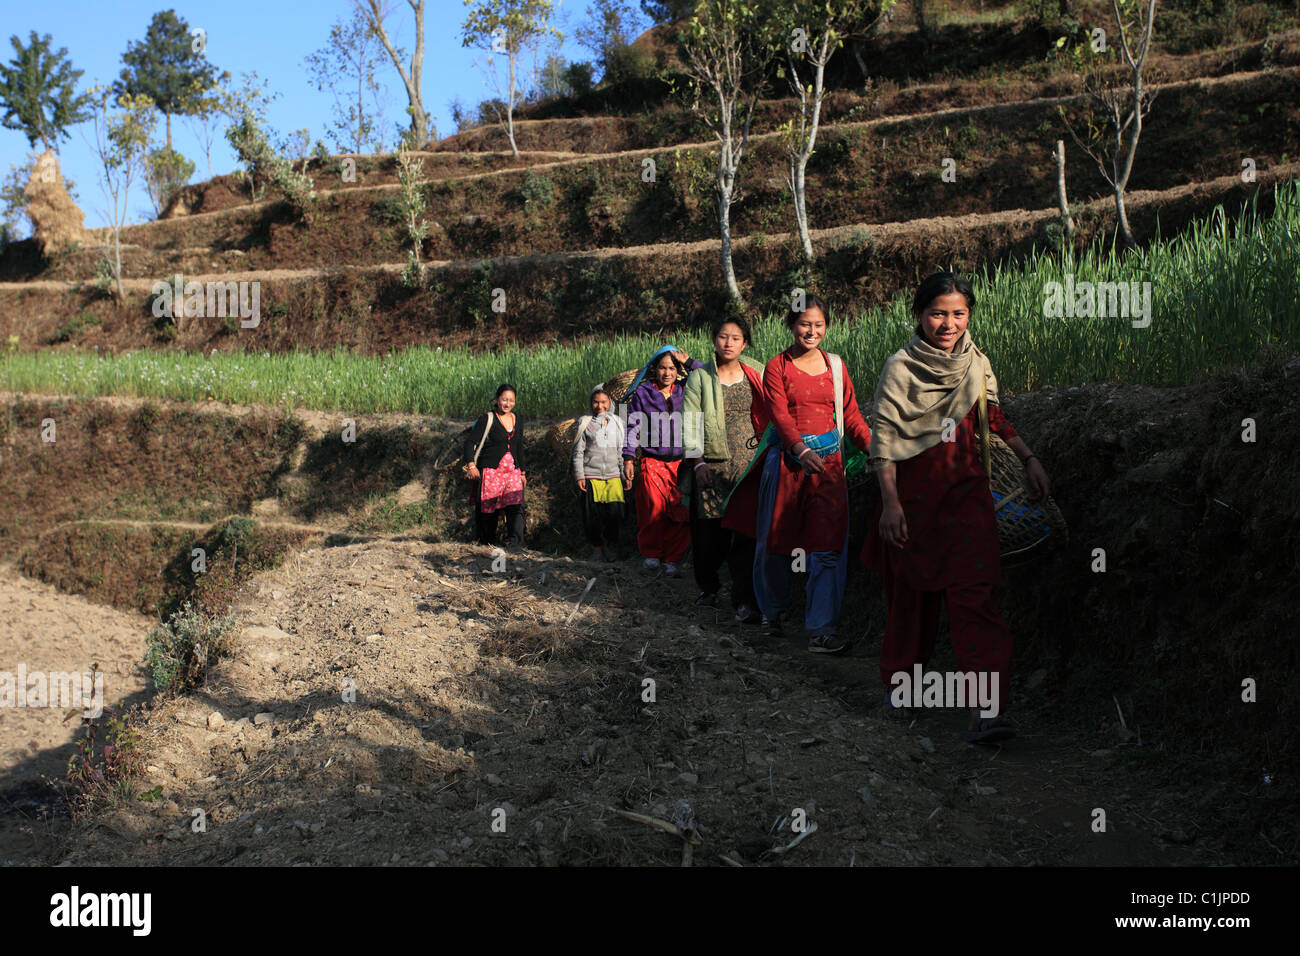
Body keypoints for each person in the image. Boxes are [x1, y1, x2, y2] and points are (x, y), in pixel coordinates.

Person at [863, 272, 1050, 744]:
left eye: (958, 313)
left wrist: (1028, 457)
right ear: (919, 315)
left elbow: (994, 415)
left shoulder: (975, 363)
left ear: (969, 315)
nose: (948, 323)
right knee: (913, 600)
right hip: (914, 500)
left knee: (976, 600)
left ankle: (987, 712)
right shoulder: (901, 368)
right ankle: (901, 688)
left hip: (968, 498)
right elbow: (883, 440)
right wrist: (890, 504)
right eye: (937, 313)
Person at [728, 294, 872, 652]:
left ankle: (821, 629)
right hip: (787, 466)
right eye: (804, 324)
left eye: (818, 324)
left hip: (829, 468)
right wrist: (800, 450)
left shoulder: (836, 367)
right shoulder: (777, 366)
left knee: (828, 546)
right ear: (791, 325)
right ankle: (772, 612)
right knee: (776, 543)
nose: (811, 331)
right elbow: (779, 413)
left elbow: (851, 416)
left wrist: (879, 451)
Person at [681, 317, 770, 622]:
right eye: (723, 336)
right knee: (710, 534)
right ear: (714, 340)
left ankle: (744, 598)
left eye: (736, 338)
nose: (728, 343)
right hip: (713, 466)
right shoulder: (700, 377)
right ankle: (708, 586)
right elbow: (690, 421)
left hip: (750, 465)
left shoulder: (757, 371)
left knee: (746, 534)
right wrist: (699, 461)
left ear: (745, 343)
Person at [622, 345, 701, 576]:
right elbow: (633, 426)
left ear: (678, 371)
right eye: (662, 368)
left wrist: (689, 362)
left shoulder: (686, 389)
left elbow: (709, 377)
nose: (667, 373)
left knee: (680, 512)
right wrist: (628, 457)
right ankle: (652, 554)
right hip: (652, 460)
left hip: (681, 463)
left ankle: (673, 558)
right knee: (652, 508)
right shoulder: (644, 393)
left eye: (672, 368)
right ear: (654, 369)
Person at [464, 383, 527, 548]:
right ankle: (486, 542)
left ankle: (516, 544)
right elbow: (470, 442)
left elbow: (519, 446)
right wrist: (471, 465)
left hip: (512, 471)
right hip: (491, 471)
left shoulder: (518, 419)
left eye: (511, 400)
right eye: (504, 399)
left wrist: (523, 472)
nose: (507, 403)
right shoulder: (487, 419)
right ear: (497, 399)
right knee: (488, 508)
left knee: (516, 506)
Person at [572, 386, 629, 562]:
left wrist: (624, 475)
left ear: (610, 403)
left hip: (613, 476)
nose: (599, 406)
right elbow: (578, 452)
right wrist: (579, 475)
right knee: (592, 516)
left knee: (615, 514)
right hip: (590, 476)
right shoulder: (585, 422)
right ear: (591, 403)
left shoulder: (618, 422)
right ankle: (597, 549)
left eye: (603, 402)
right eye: (595, 402)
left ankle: (611, 547)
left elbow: (622, 451)